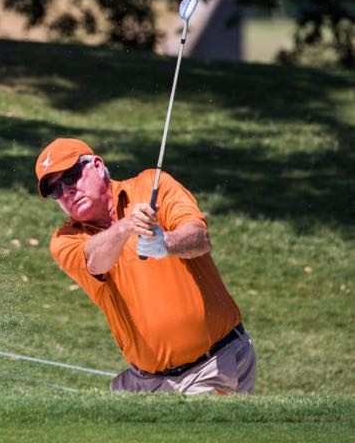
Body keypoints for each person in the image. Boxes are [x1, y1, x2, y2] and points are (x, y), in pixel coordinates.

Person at [35, 138, 256, 394]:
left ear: (96, 165)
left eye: (71, 177)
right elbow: (94, 261)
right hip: (148, 381)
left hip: (214, 362)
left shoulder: (153, 184)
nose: (67, 192)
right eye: (55, 191)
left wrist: (165, 243)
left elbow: (199, 238)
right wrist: (126, 227)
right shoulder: (66, 239)